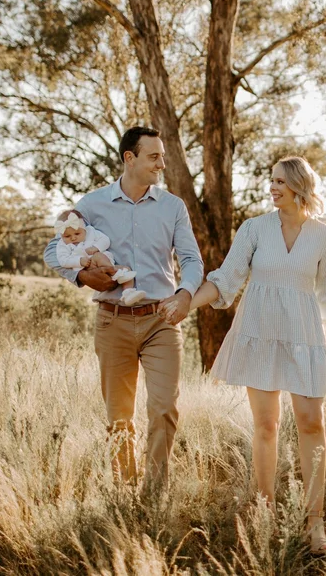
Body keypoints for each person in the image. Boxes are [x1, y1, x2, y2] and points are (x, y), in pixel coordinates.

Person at [159, 156, 326, 554]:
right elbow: (225, 280)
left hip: (304, 337)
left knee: (312, 424)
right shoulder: (254, 229)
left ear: (299, 185)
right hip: (260, 334)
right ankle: (265, 514)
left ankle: (315, 526)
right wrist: (186, 306)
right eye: (272, 180)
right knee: (266, 425)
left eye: (280, 181)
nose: (273, 188)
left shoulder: (323, 236)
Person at [43, 126, 203, 489]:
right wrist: (83, 277)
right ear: (129, 158)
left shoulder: (172, 207)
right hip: (112, 321)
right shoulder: (91, 205)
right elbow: (53, 251)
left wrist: (185, 293)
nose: (162, 163)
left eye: (162, 156)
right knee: (119, 417)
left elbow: (191, 259)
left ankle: (154, 493)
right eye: (154, 156)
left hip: (162, 319)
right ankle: (125, 492)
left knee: (164, 409)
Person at [52, 208, 146, 306]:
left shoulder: (91, 232)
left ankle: (128, 293)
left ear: (84, 228)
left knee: (126, 269)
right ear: (62, 235)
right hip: (88, 268)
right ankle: (116, 273)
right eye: (67, 236)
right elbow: (63, 260)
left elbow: (105, 240)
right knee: (98, 257)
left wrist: (96, 247)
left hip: (105, 263)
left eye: (77, 233)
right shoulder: (62, 245)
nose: (73, 238)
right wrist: (79, 261)